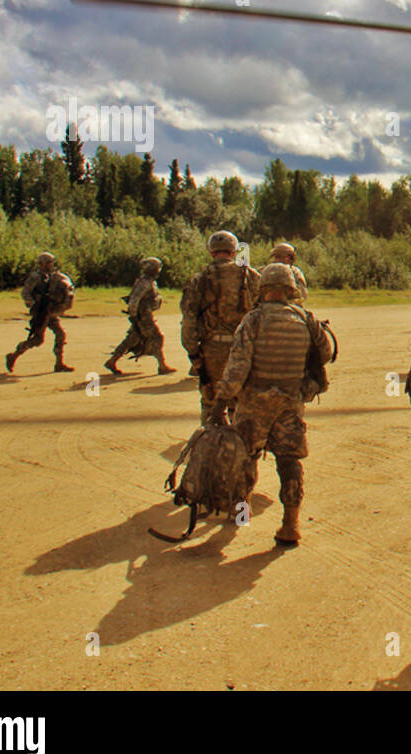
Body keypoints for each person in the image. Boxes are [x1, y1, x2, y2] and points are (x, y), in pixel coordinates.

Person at [211, 263, 332, 547]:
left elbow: (238, 367)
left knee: (245, 458)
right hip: (290, 402)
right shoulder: (305, 318)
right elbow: (324, 354)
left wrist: (221, 401)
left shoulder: (253, 320)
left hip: (254, 404)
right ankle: (290, 526)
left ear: (263, 288)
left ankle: (241, 515)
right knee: (289, 462)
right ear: (291, 289)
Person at [180, 230, 262, 425]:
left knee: (210, 402)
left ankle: (209, 445)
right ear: (234, 252)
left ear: (211, 252)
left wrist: (193, 353)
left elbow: (189, 318)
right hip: (244, 349)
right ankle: (240, 446)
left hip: (211, 352)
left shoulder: (200, 279)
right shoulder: (251, 276)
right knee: (240, 401)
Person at [6, 252, 75, 373]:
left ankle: (59, 363)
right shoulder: (35, 277)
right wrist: (34, 304)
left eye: (51, 262)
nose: (50, 265)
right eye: (47, 263)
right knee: (37, 340)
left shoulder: (55, 276)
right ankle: (14, 355)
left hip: (51, 311)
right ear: (41, 264)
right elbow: (25, 293)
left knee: (60, 334)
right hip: (41, 313)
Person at [105, 257, 175, 376]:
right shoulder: (144, 283)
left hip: (142, 316)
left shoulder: (148, 281)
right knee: (156, 337)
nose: (158, 271)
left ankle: (112, 361)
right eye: (157, 269)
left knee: (132, 339)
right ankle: (162, 366)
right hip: (143, 317)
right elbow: (134, 299)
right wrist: (133, 315)